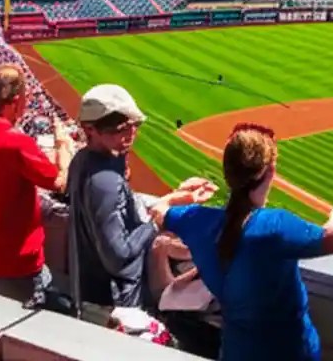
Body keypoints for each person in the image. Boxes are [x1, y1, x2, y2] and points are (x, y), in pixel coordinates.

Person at [150, 123, 333, 361]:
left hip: (236, 352)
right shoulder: (274, 226)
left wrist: (183, 196)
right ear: (271, 170)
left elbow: (158, 211)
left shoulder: (197, 221)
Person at [68, 84, 220, 352]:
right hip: (118, 307)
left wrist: (171, 199)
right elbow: (118, 255)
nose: (130, 134)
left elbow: (121, 214)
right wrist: (156, 221)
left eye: (133, 125)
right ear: (90, 129)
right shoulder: (105, 181)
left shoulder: (84, 161)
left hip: (94, 296)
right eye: (118, 129)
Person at [0, 64, 75, 305]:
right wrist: (63, 145)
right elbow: (59, 183)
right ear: (17, 100)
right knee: (65, 311)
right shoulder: (15, 141)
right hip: (14, 266)